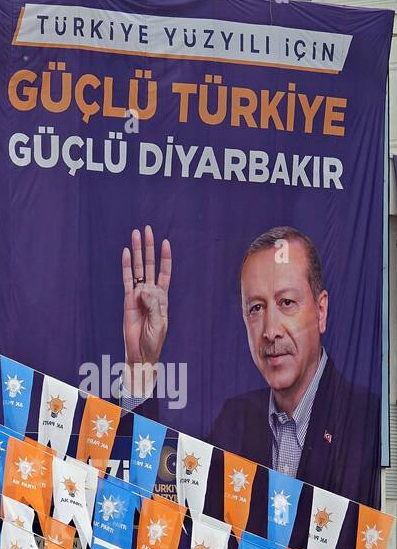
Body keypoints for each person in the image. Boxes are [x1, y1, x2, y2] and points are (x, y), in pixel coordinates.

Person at [119, 225, 377, 525]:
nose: (270, 331)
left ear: (321, 311)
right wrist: (141, 366)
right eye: (256, 308)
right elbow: (165, 520)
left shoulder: (367, 422)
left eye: (286, 303)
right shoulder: (234, 421)